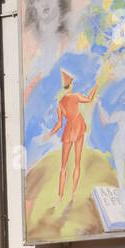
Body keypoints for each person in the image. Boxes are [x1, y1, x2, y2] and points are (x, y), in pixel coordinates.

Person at [43, 69, 100, 201]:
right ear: (71, 85)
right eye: (72, 83)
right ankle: (73, 193)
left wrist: (49, 134)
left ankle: (60, 196)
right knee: (77, 162)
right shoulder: (75, 96)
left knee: (63, 165)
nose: (73, 85)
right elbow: (89, 99)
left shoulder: (60, 103)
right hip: (78, 127)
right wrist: (96, 85)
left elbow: (58, 124)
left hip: (69, 129)